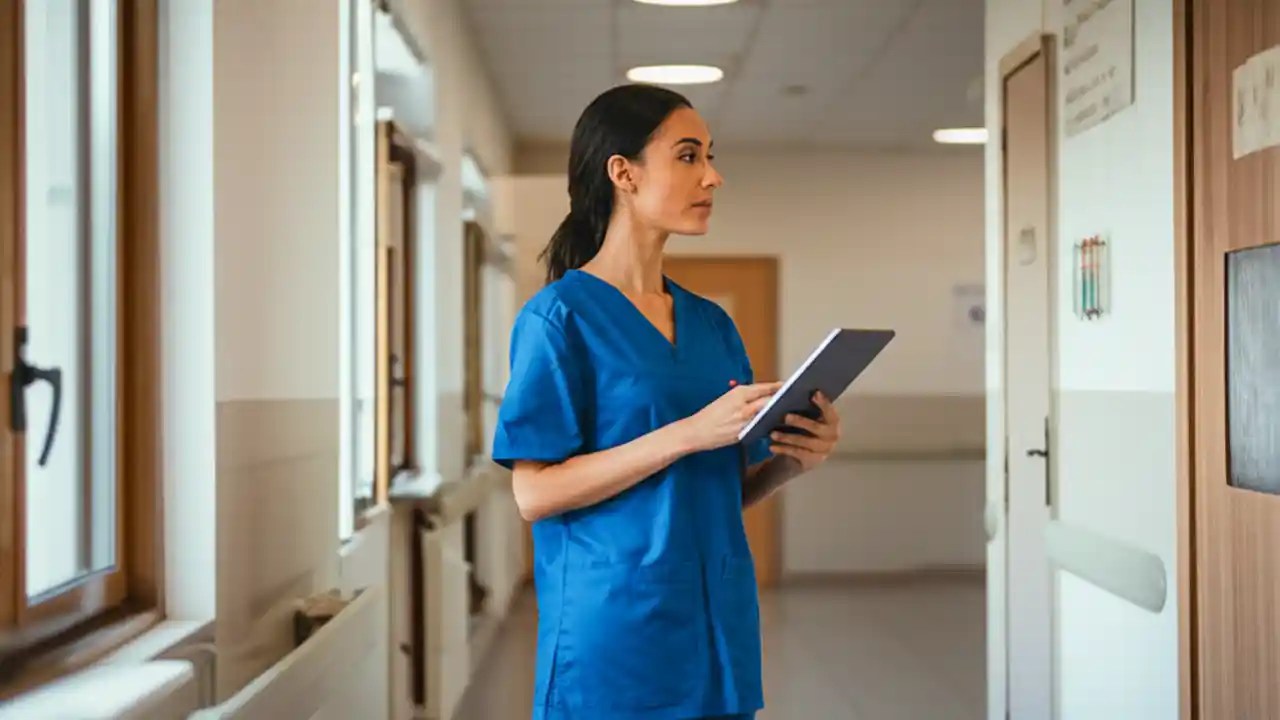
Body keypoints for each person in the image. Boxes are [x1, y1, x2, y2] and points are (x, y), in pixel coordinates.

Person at [492, 83, 842, 720]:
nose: (712, 176)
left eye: (709, 156)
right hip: (617, 631)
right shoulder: (559, 318)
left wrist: (792, 460)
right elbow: (534, 494)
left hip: (715, 624)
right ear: (623, 173)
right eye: (688, 156)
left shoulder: (712, 325)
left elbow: (713, 489)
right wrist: (686, 434)